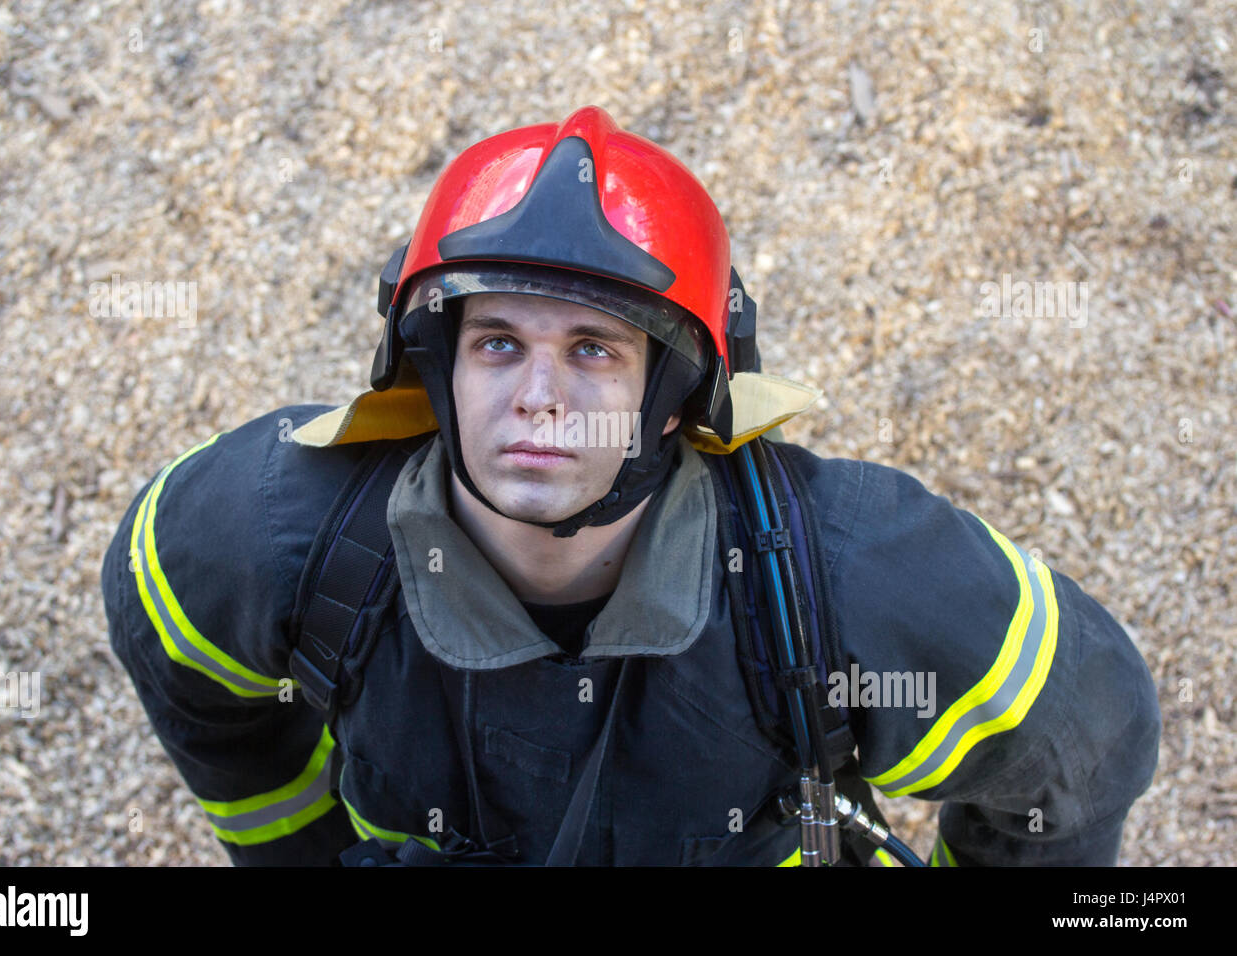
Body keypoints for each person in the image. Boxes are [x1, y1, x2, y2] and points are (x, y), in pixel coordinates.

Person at [101, 106, 1160, 866]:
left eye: (598, 350)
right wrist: (293, 846)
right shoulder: (267, 533)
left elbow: (1090, 732)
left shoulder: (850, 583)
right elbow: (164, 622)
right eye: (500, 341)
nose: (540, 397)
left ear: (674, 398)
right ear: (435, 366)